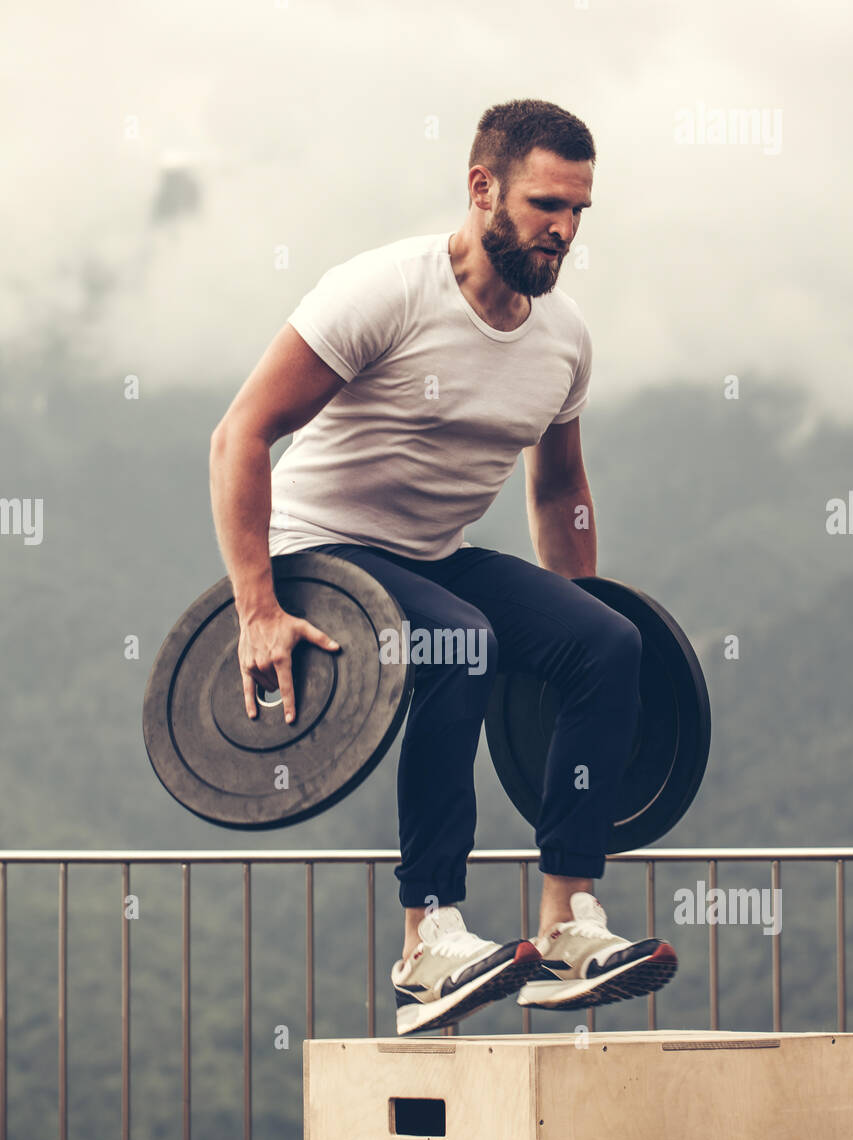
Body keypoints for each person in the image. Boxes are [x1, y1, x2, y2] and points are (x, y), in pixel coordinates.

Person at [209, 97, 678, 1037]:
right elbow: (241, 434)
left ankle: (563, 928)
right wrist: (255, 605)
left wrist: (567, 628)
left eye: (581, 211)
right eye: (548, 204)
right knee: (460, 643)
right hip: (321, 551)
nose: (565, 229)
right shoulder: (381, 291)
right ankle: (428, 940)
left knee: (608, 643)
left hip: (433, 557)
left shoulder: (562, 337)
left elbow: (559, 490)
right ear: (482, 188)